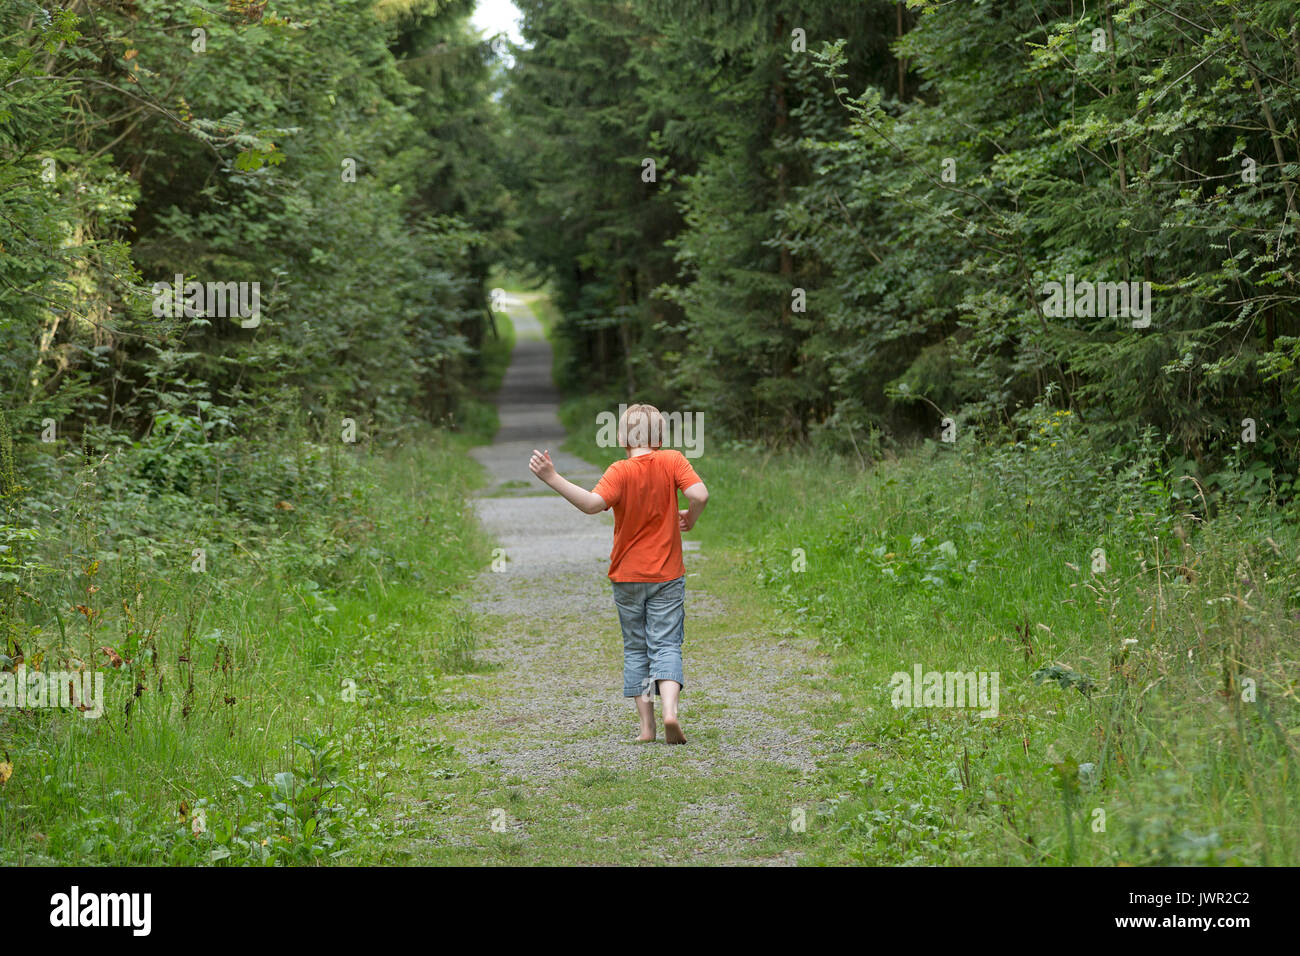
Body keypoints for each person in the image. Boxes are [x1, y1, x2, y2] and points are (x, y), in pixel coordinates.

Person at [528, 403, 708, 744]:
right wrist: (691, 517)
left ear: (622, 437)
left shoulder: (619, 471)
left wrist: (552, 477)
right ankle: (671, 711)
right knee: (667, 644)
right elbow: (699, 494)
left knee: (637, 649)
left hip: (627, 576)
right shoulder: (673, 460)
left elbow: (592, 505)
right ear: (660, 437)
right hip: (667, 575)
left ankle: (647, 728)